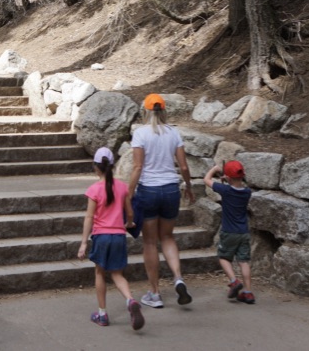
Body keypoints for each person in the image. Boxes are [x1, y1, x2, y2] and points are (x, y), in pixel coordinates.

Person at [128, 93, 195, 309]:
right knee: (167, 236)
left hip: (148, 190)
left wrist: (128, 194)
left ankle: (155, 293)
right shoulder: (174, 133)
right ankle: (178, 278)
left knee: (149, 242)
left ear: (145, 111)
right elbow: (184, 167)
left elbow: (138, 167)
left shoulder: (140, 134)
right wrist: (189, 187)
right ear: (164, 110)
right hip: (171, 190)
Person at [77, 147, 145, 331]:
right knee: (117, 274)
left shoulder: (94, 190)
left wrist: (84, 242)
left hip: (101, 236)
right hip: (118, 236)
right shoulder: (122, 187)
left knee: (100, 273)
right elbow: (130, 212)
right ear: (112, 166)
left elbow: (89, 217)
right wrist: (129, 223)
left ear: (96, 168)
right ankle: (130, 300)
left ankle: (102, 313)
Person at [204, 160, 256, 304]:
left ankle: (234, 281)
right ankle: (248, 292)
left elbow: (206, 180)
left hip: (229, 232)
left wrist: (215, 169)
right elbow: (236, 188)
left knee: (223, 257)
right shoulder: (247, 192)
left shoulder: (225, 190)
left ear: (228, 177)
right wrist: (227, 180)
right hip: (244, 232)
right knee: (244, 261)